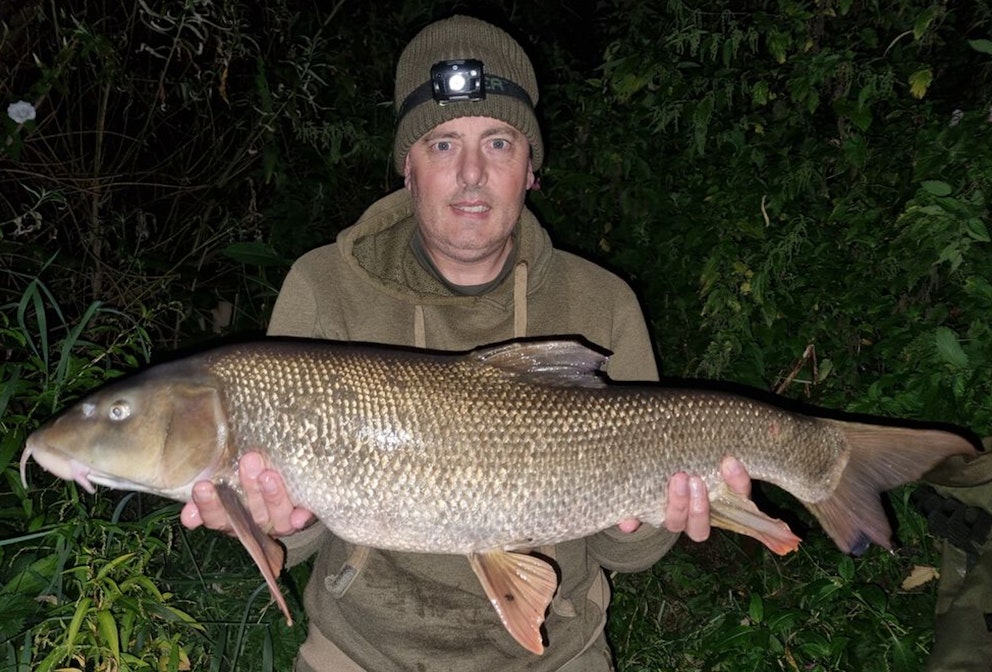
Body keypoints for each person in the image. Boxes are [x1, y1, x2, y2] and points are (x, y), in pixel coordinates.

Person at [181, 15, 752, 671]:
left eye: (500, 143)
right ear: (407, 167)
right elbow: (299, 537)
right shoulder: (323, 288)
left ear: (531, 166)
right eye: (444, 145)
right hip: (362, 649)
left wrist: (650, 521)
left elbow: (630, 555)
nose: (473, 174)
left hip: (558, 652)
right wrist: (272, 520)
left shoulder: (600, 303)